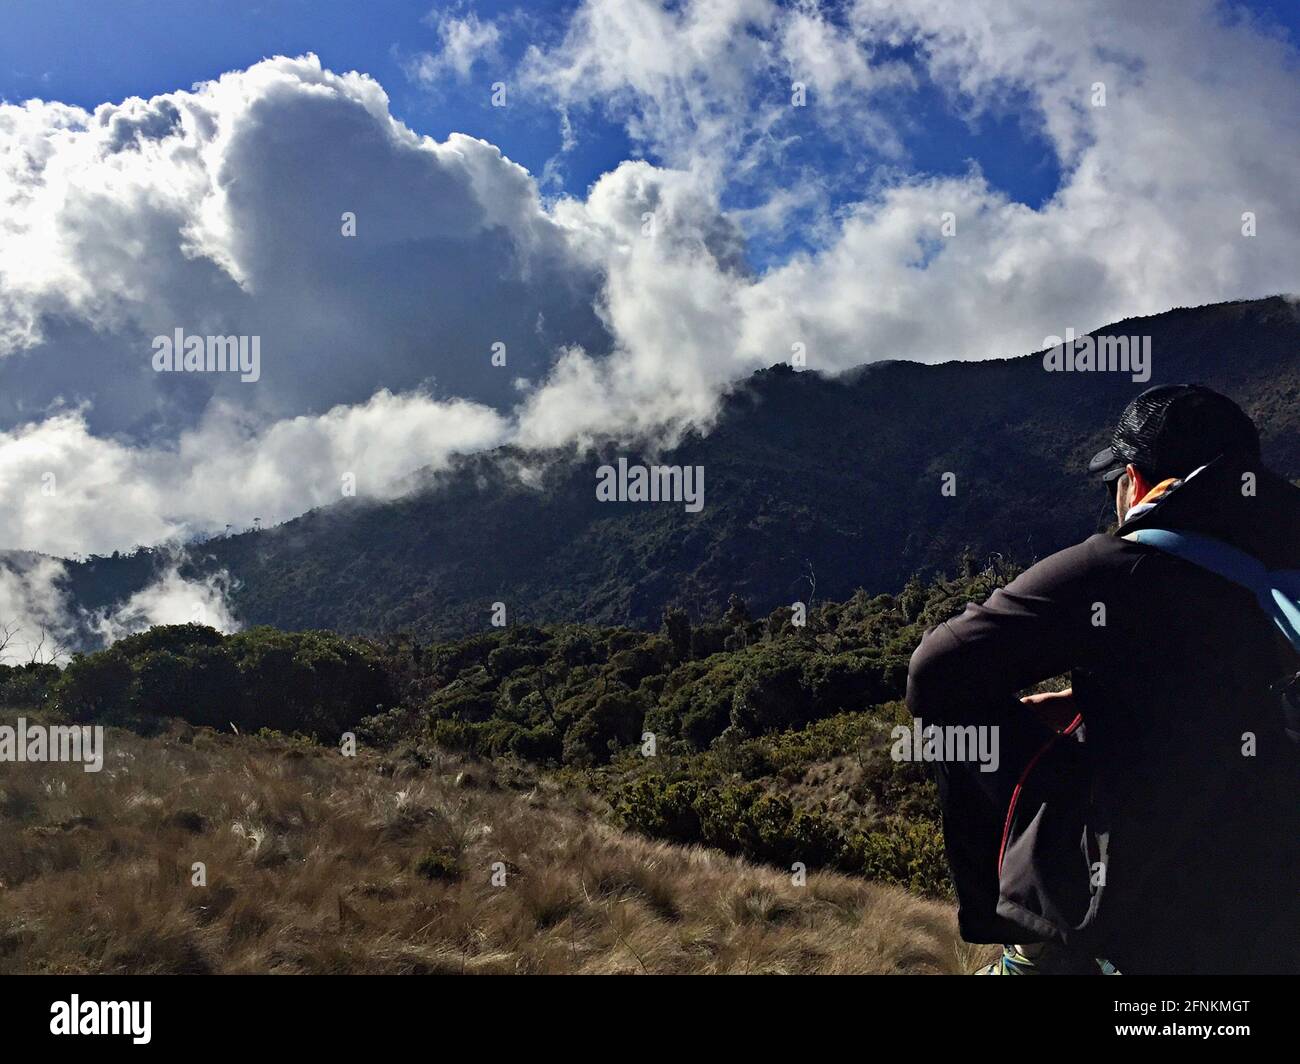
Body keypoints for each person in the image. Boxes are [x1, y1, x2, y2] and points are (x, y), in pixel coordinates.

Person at [906, 384, 1300, 974]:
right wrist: (1086, 700)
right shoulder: (1283, 563)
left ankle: (1035, 930)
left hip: (1153, 920)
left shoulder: (1117, 570)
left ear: (1135, 482)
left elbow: (937, 672)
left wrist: (1050, 769)